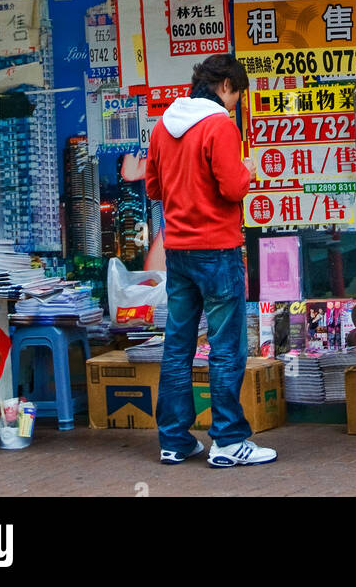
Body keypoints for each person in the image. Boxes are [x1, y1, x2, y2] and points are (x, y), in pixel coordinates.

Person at [145, 52, 277, 469]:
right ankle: (227, 440)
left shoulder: (162, 128)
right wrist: (248, 169)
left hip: (178, 251)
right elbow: (233, 187)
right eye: (236, 94)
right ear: (225, 86)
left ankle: (174, 440)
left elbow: (152, 188)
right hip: (217, 250)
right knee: (226, 348)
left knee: (177, 347)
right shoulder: (220, 125)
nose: (236, 102)